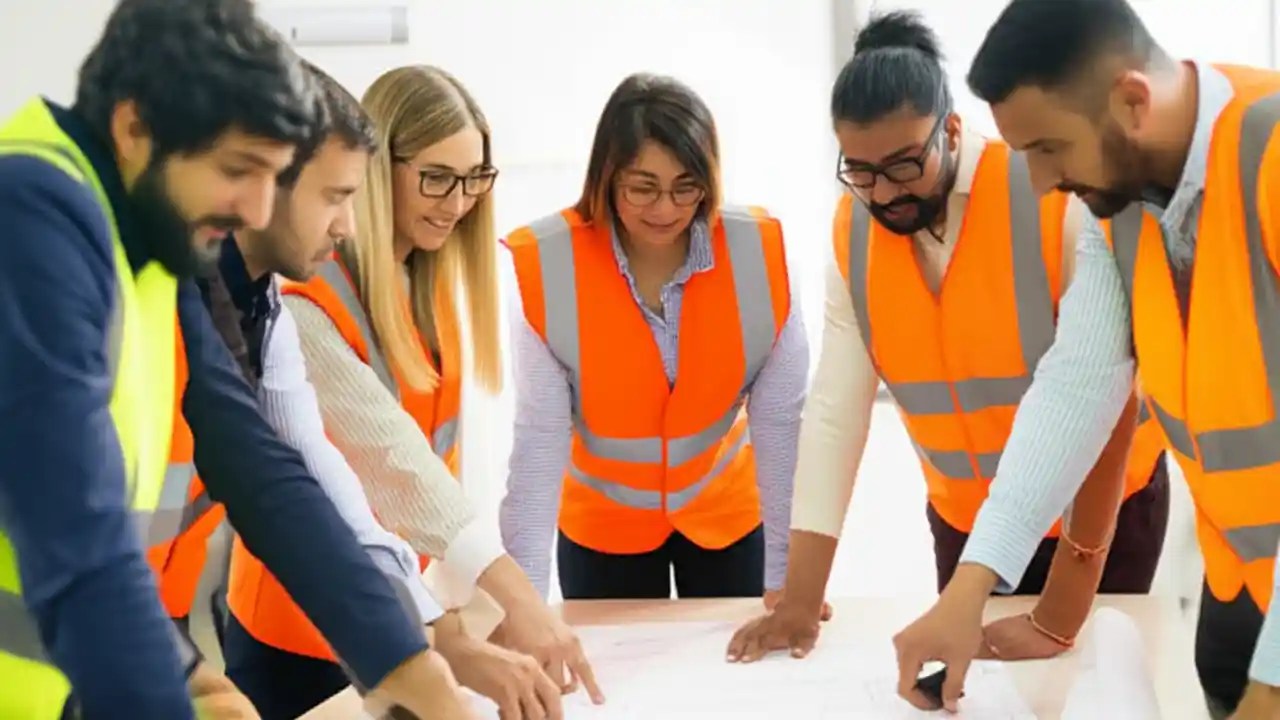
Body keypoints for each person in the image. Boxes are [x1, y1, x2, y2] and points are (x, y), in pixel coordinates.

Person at [0, 1, 473, 718]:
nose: (257, 209)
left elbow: (254, 459)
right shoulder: (30, 218)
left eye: (275, 175)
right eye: (238, 170)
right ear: (135, 126)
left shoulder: (150, 232)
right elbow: (75, 527)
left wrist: (400, 658)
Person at [726, 10, 1169, 666]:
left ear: (952, 129)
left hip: (1102, 518)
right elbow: (833, 414)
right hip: (965, 526)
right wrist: (800, 596)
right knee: (973, 692)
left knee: (1090, 686)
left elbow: (1104, 392)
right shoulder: (852, 234)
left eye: (905, 165)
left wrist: (1067, 596)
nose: (885, 192)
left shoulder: (1051, 189)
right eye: (861, 171)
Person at [888, 1, 1280, 718]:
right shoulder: (1118, 203)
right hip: (1240, 600)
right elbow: (1075, 388)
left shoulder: (1273, 150)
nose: (1038, 184)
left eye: (1047, 150)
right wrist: (971, 587)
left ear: (1132, 100)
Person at [230, 63, 603, 714]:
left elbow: (436, 480)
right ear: (378, 169)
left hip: (395, 610)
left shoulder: (427, 290)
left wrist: (460, 622)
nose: (458, 202)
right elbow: (393, 468)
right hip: (304, 635)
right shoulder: (305, 301)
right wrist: (512, 600)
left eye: (474, 180)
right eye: (437, 177)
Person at [501, 73, 809, 606]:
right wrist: (523, 606)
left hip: (728, 518)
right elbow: (537, 444)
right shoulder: (546, 265)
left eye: (686, 186)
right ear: (604, 176)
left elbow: (782, 428)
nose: (665, 209)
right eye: (642, 187)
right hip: (602, 529)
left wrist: (787, 576)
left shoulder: (761, 255)